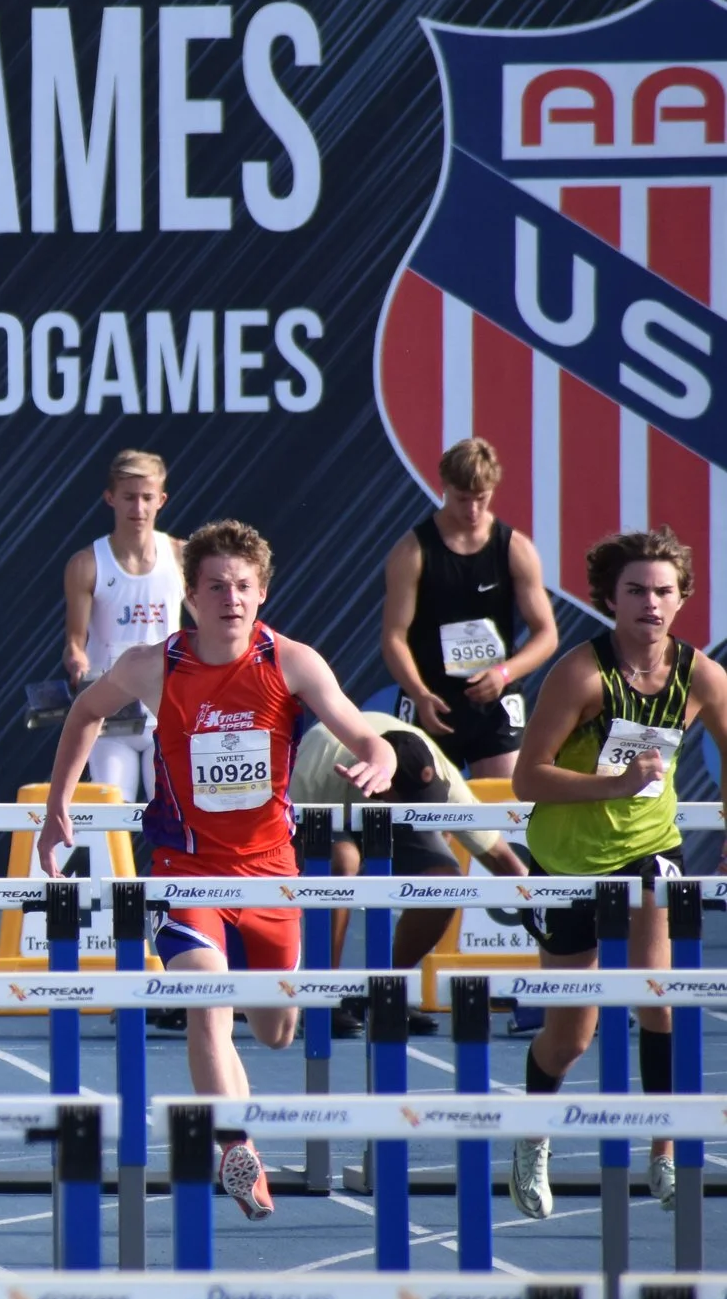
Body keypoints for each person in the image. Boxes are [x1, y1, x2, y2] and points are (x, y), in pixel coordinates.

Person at [38, 520, 395, 1221]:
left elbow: (358, 726)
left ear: (261, 593)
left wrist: (378, 757)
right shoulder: (154, 664)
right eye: (215, 586)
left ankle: (238, 1116)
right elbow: (84, 711)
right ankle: (235, 1145)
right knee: (209, 1009)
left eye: (242, 586)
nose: (229, 598)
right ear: (191, 597)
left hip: (270, 874)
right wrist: (58, 803)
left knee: (275, 1031)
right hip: (188, 869)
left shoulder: (292, 662)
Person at [505, 528, 727, 1219]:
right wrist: (614, 783)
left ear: (683, 598)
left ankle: (662, 1149)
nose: (651, 604)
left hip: (649, 849)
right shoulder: (580, 674)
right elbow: (524, 778)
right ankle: (533, 1136)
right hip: (567, 857)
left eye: (664, 591)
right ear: (610, 598)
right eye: (636, 591)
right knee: (573, 1034)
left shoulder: (702, 677)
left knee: (657, 996)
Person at [295, 718, 528, 1036]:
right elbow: (273, 839)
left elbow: (502, 857)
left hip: (390, 813)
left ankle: (385, 989)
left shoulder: (440, 772)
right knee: (342, 861)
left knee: (443, 882)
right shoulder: (316, 764)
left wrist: (545, 908)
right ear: (384, 791)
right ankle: (322, 994)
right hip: (325, 807)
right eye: (416, 804)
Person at [380, 437, 559, 781]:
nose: (473, 510)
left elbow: (546, 634)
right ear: (444, 486)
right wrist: (419, 693)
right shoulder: (412, 552)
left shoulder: (514, 548)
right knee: (427, 819)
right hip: (432, 699)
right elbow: (394, 638)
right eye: (463, 499)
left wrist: (505, 673)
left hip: (493, 697)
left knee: (502, 809)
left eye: (482, 498)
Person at [61, 450, 182, 804]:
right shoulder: (87, 564)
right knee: (112, 814)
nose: (139, 509)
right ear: (110, 498)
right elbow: (74, 641)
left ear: (161, 500)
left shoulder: (181, 556)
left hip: (166, 712)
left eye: (147, 498)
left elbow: (208, 627)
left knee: (173, 810)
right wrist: (76, 661)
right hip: (111, 715)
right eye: (129, 497)